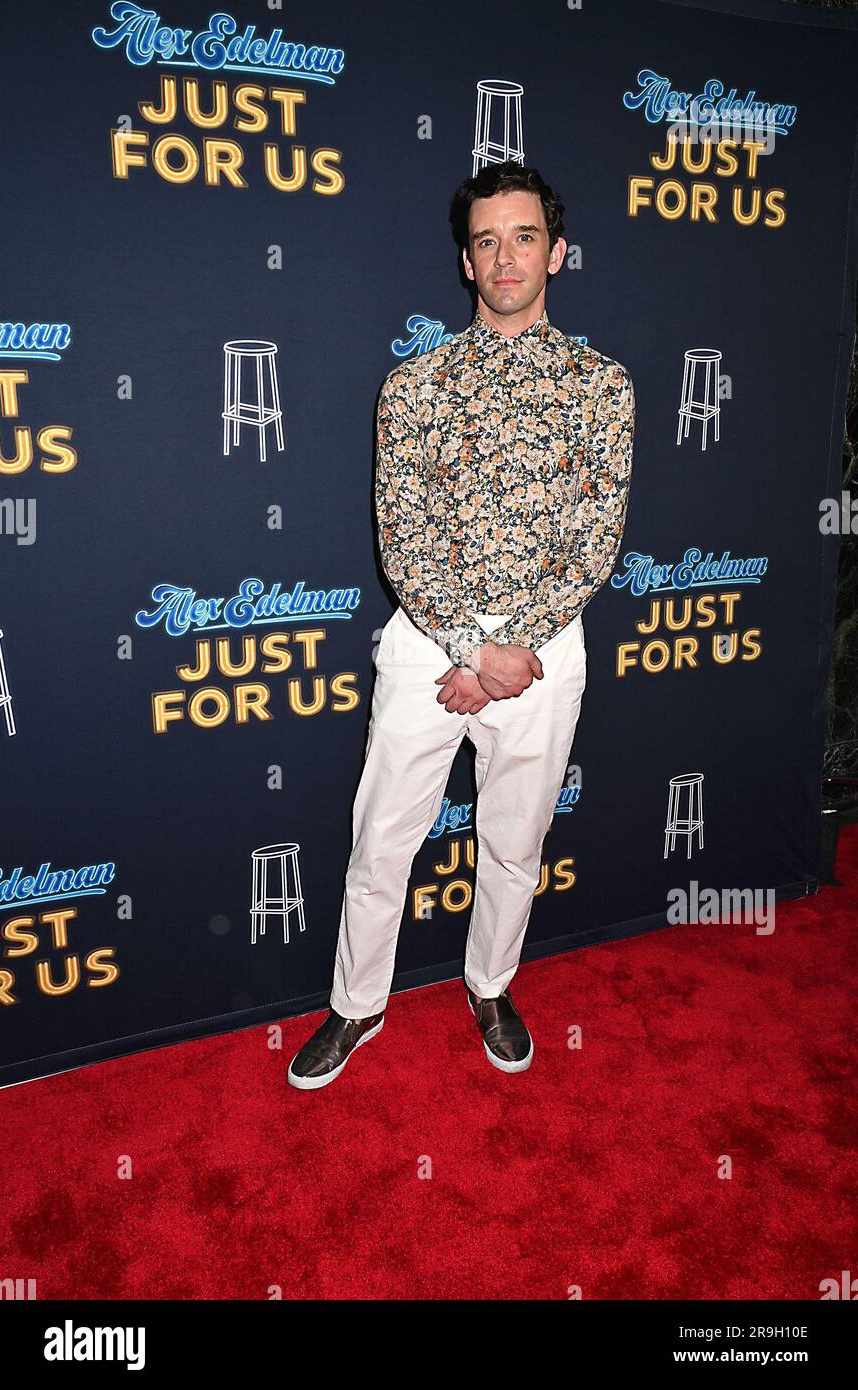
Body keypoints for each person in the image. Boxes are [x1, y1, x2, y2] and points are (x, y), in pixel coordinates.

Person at [287, 160, 635, 1089]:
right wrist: (472, 652)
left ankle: (490, 985)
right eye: (486, 240)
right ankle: (356, 1006)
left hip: (544, 649)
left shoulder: (603, 387)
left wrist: (509, 648)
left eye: (523, 236)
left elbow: (594, 538)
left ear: (556, 254)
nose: (504, 256)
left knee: (515, 844)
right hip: (427, 646)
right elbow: (401, 537)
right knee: (380, 843)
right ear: (465, 263)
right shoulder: (414, 386)